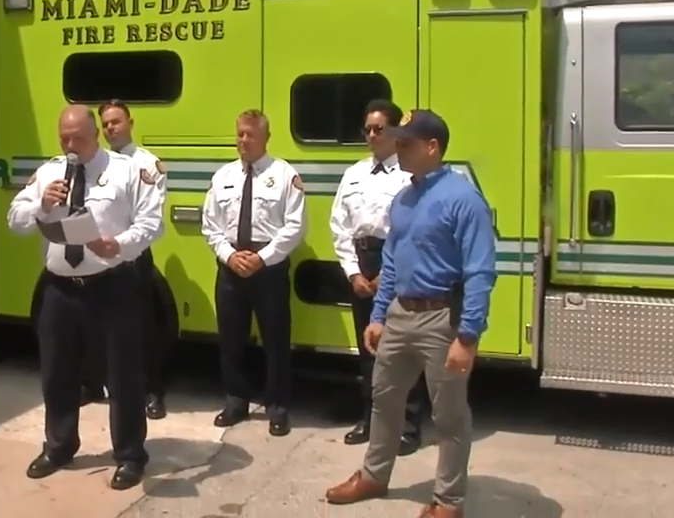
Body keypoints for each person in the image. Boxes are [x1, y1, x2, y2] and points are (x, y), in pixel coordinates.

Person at [325, 109, 498, 518]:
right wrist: (380, 315)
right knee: (384, 398)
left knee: (449, 416)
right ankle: (373, 475)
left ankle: (448, 502)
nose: (397, 148)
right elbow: (393, 259)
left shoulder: (462, 198)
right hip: (401, 314)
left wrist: (467, 337)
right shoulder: (404, 197)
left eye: (406, 143)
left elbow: (480, 271)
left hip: (442, 320)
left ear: (432, 147)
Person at [6, 105, 164, 491]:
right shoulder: (49, 172)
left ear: (95, 134)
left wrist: (119, 245)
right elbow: (15, 219)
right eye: (64, 138)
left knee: (122, 373)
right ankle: (59, 446)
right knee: (57, 371)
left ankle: (129, 454)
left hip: (111, 284)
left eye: (78, 138)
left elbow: (151, 224)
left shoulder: (128, 171)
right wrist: (42, 204)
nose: (70, 145)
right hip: (60, 288)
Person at [329, 99, 427, 455]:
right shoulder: (353, 174)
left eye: (378, 128)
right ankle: (369, 419)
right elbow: (339, 225)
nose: (371, 135)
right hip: (362, 262)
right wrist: (353, 272)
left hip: (397, 263)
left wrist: (389, 272)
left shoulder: (408, 175)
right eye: (367, 129)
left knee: (403, 348)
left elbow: (414, 230)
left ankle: (407, 426)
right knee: (368, 349)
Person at [201, 109, 306, 437]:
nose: (242, 140)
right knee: (231, 337)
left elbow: (295, 227)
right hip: (231, 267)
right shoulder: (223, 177)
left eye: (249, 134)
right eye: (239, 134)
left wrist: (262, 258)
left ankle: (277, 406)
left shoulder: (285, 175)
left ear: (265, 138)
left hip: (269, 269)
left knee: (275, 338)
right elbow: (210, 225)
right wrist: (230, 257)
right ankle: (236, 399)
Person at [99, 99, 172, 420]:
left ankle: (151, 392)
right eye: (105, 124)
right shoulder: (93, 162)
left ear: (130, 122)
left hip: (132, 257)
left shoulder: (147, 165)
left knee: (142, 329)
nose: (110, 128)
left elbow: (150, 219)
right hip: (96, 257)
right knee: (99, 325)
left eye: (116, 121)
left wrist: (122, 243)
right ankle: (100, 384)